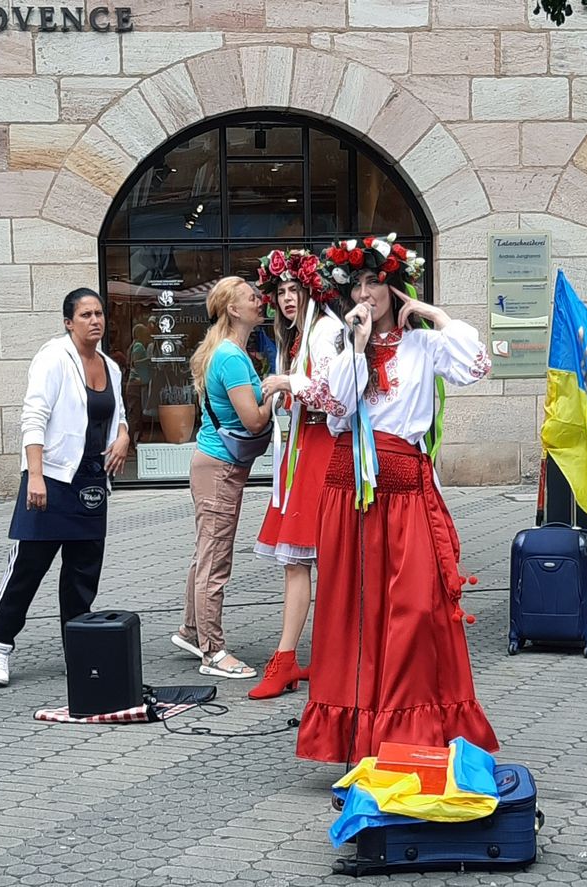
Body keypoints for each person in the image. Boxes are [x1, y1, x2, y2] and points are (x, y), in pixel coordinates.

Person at [295, 234, 499, 764]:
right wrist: (357, 346)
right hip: (350, 491)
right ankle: (356, 735)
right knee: (353, 610)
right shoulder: (340, 345)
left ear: (394, 287)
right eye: (357, 284)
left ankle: (409, 731)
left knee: (413, 608)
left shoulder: (425, 344)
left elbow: (478, 366)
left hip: (406, 487)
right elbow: (335, 402)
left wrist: (432, 312)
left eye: (375, 282)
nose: (365, 293)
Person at [0, 288, 130, 686]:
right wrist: (34, 475)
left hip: (91, 482)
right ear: (69, 322)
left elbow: (119, 416)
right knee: (27, 568)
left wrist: (124, 436)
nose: (95, 320)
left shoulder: (111, 367)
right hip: (50, 480)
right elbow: (33, 417)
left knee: (83, 575)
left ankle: (78, 652)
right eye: (85, 315)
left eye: (99, 313)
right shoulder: (52, 358)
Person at [249, 249, 348, 700]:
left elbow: (336, 396)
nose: (287, 299)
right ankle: (292, 657)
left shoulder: (326, 328)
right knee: (298, 560)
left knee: (328, 559)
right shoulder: (297, 335)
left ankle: (330, 656)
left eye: (294, 290)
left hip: (325, 448)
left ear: (310, 290)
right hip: (304, 447)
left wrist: (286, 383)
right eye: (281, 292)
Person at [171, 276, 274, 679]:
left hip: (213, 464)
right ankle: (213, 652)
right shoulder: (231, 358)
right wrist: (275, 395)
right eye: (252, 297)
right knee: (216, 561)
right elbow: (251, 421)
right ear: (233, 309)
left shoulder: (227, 350)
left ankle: (191, 630)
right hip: (220, 467)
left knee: (205, 553)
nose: (259, 301)